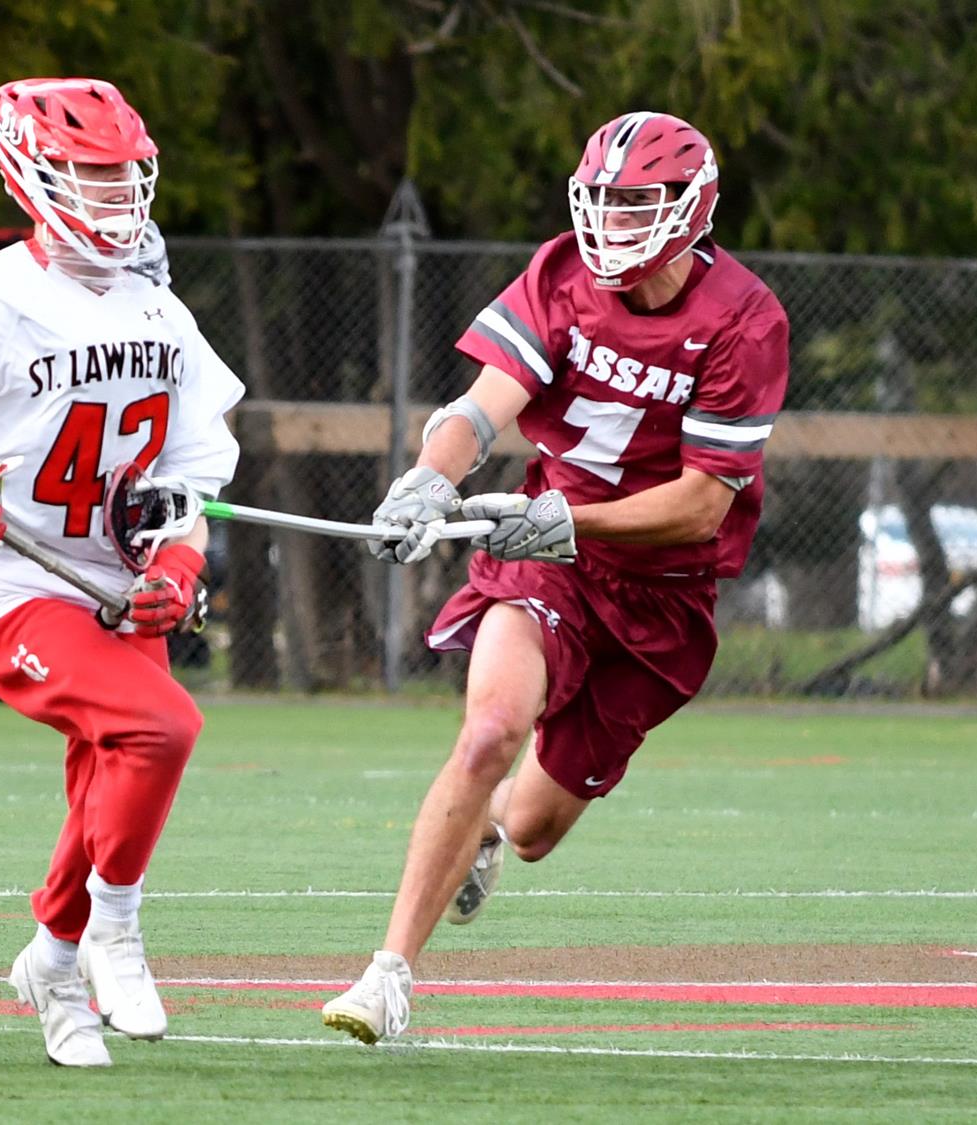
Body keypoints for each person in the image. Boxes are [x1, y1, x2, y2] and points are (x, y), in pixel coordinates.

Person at [321, 110, 789, 1044]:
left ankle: (486, 833)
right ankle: (389, 974)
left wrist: (570, 520)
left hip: (659, 594)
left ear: (692, 210)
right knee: (491, 727)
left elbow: (701, 504)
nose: (613, 224)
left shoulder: (744, 317)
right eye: (603, 202)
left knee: (532, 825)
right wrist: (429, 478)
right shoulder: (561, 276)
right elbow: (480, 409)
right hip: (543, 563)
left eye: (638, 204)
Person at [0, 77, 244, 1067]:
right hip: (8, 579)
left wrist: (179, 557)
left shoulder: (159, 311)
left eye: (126, 176)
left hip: (111, 577)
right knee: (159, 724)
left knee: (109, 761)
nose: (116, 196)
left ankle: (52, 954)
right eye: (90, 175)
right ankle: (110, 931)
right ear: (31, 175)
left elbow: (192, 472)